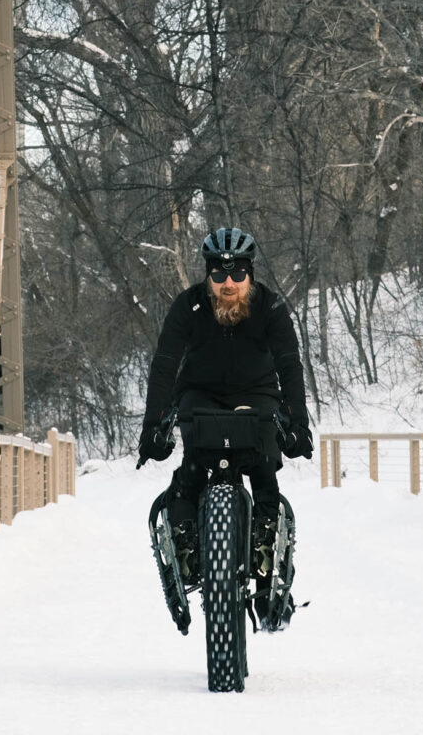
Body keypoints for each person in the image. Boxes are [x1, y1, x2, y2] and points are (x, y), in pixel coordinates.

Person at [137, 226, 314, 584]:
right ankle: (185, 548)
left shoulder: (271, 307)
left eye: (237, 274)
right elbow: (165, 365)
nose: (228, 284)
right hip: (199, 394)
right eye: (218, 274)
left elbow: (289, 365)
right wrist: (153, 426)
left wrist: (298, 425)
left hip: (258, 394)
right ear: (208, 275)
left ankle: (267, 562)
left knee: (264, 466)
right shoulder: (189, 306)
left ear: (250, 273)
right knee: (192, 467)